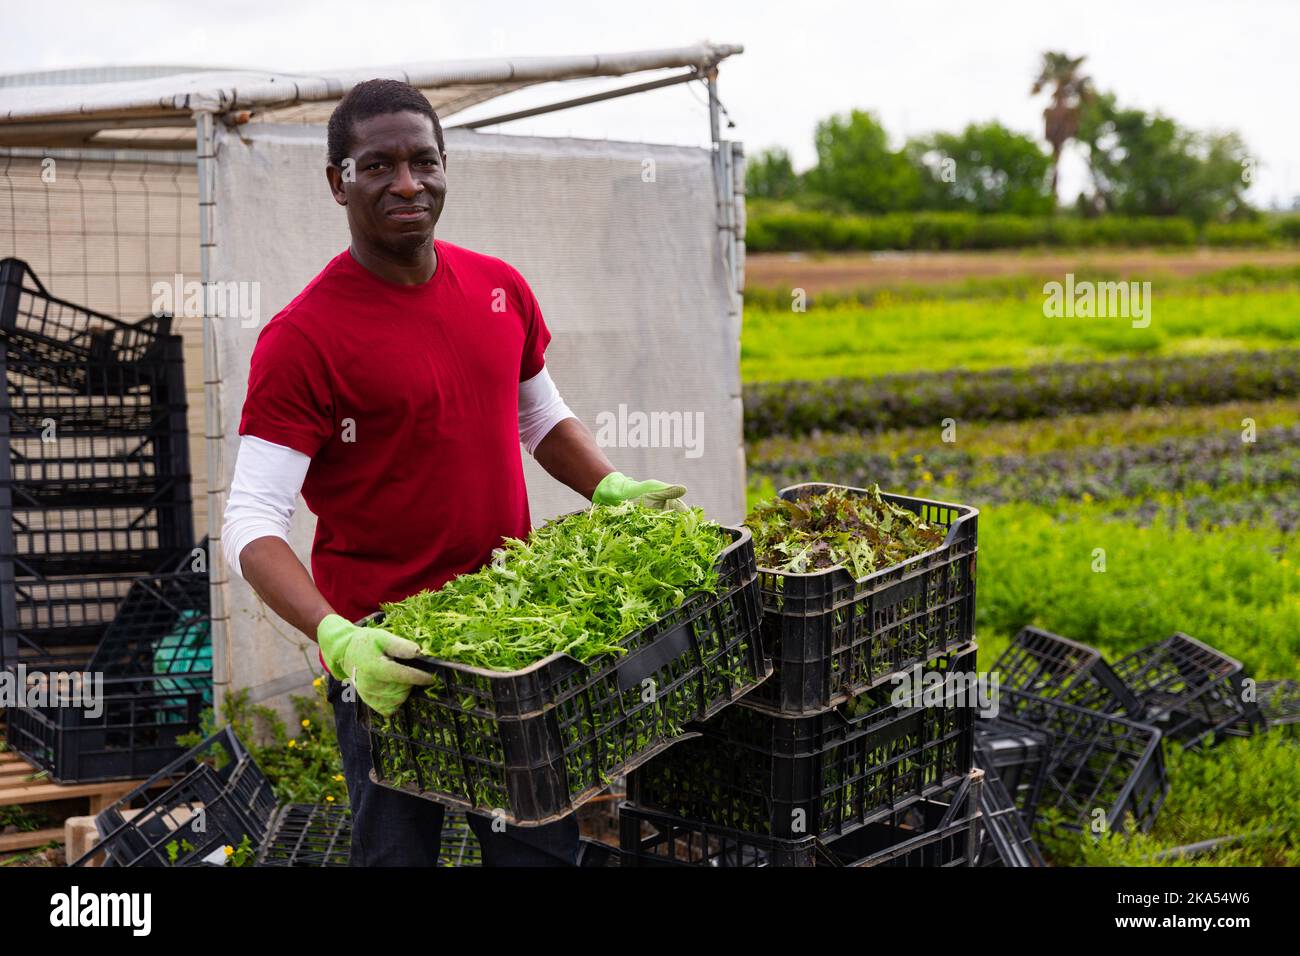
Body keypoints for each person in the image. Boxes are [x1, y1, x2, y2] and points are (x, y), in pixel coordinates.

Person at [221, 78, 687, 866]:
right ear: (338, 182)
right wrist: (339, 641)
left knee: (538, 854)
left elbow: (538, 418)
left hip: (513, 651)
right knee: (398, 858)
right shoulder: (303, 337)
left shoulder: (499, 289)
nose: (407, 184)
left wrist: (609, 484)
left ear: (445, 168)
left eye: (424, 162)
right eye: (378, 167)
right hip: (388, 664)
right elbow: (252, 523)